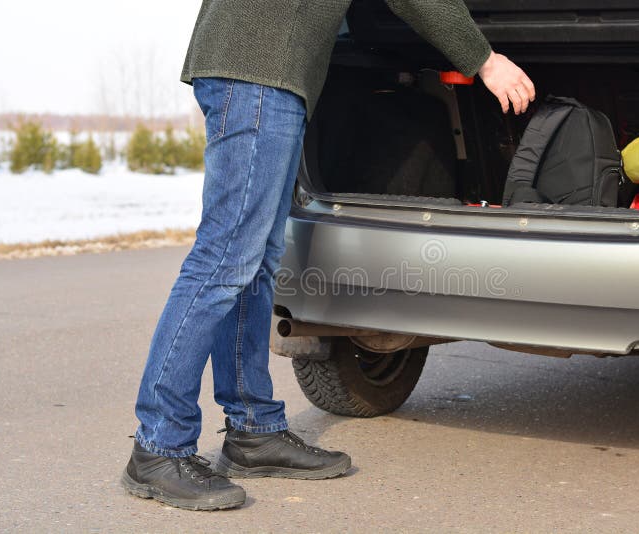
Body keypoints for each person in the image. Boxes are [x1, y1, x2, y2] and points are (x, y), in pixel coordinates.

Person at [121, 0, 536, 511]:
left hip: (266, 72)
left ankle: (254, 430)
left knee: (253, 267)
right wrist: (484, 58)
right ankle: (159, 446)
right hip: (258, 71)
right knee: (223, 262)